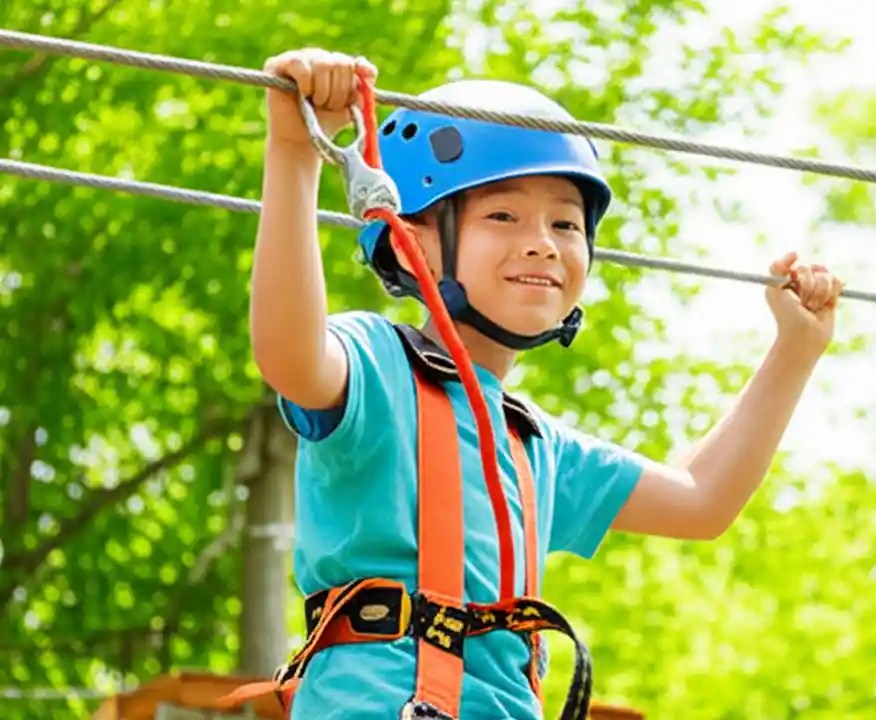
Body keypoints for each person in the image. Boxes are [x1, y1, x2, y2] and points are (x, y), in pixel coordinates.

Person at [248, 47, 845, 720]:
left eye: (566, 223)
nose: (544, 243)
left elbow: (702, 501)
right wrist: (296, 152)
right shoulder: (375, 366)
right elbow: (289, 354)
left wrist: (794, 350)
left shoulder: (534, 445)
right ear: (412, 237)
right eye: (503, 217)